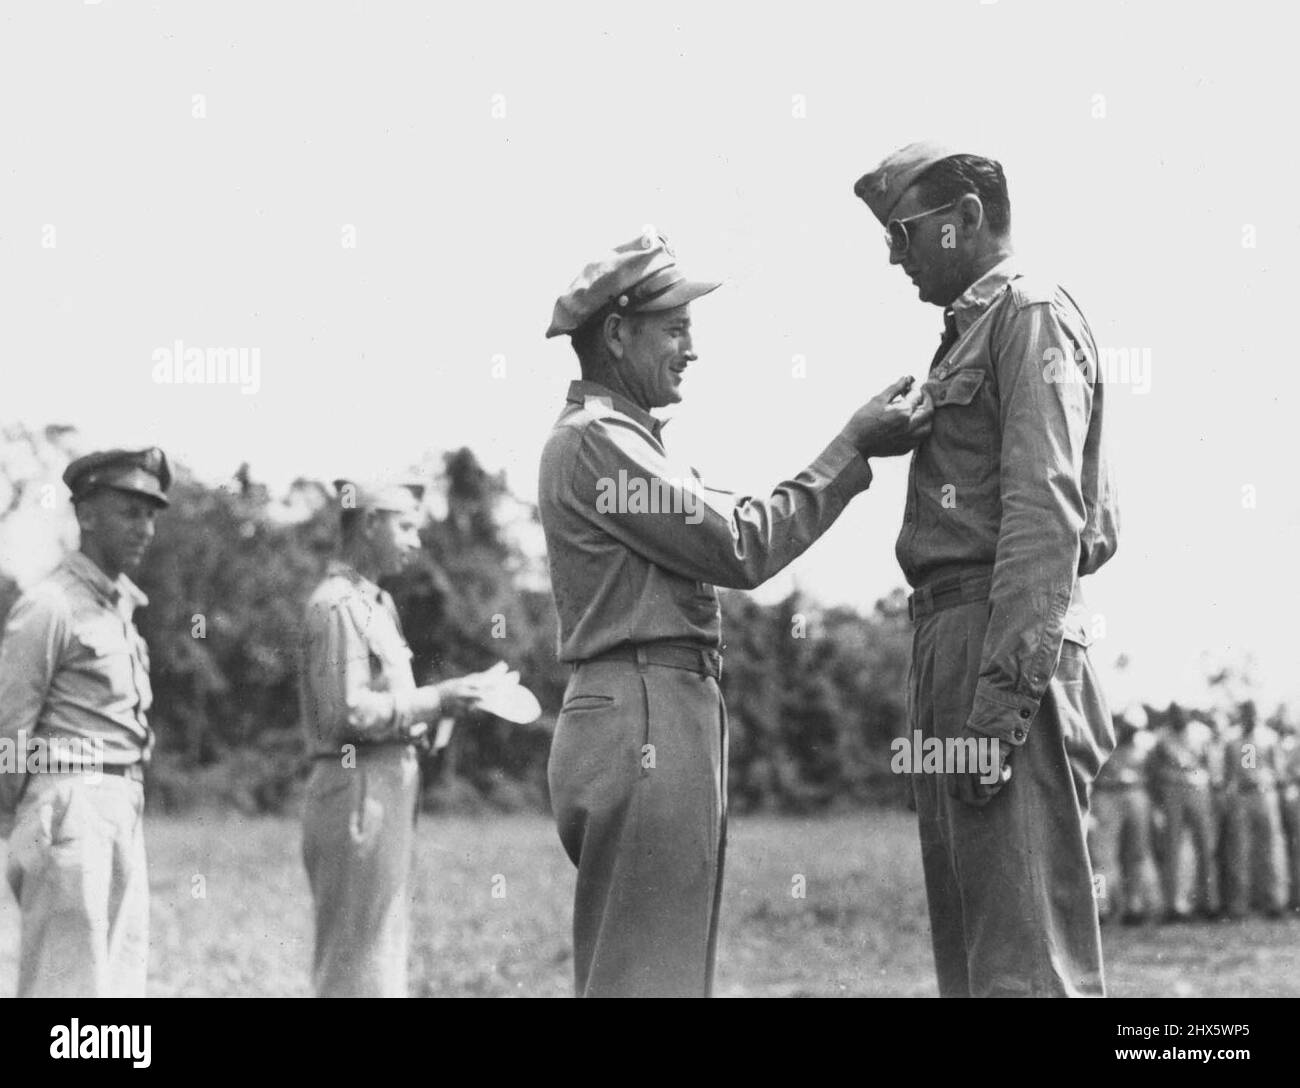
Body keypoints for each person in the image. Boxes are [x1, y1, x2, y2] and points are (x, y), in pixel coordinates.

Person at [538, 228, 933, 997]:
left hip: (654, 709)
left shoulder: (624, 442)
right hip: (645, 712)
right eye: (675, 328)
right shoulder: (599, 443)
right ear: (616, 334)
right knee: (646, 981)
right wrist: (851, 448)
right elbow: (740, 544)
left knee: (660, 973)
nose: (691, 349)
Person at [853, 143, 1119, 996]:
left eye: (903, 232)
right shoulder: (973, 331)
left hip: (1002, 652)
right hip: (953, 639)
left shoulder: (1028, 315)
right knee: (976, 962)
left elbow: (1055, 524)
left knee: (1025, 967)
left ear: (967, 218)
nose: (894, 255)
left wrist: (998, 713)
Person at [299, 480, 489, 997]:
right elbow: (348, 713)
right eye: (404, 526)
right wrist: (436, 699)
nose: (415, 541)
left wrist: (438, 716)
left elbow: (384, 707)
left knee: (380, 959)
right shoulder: (339, 605)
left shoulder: (377, 605)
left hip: (386, 781)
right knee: (354, 964)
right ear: (368, 523)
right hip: (358, 787)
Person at [0, 447, 170, 997]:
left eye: (151, 513)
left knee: (115, 992)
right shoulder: (50, 604)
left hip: (120, 802)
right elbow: (9, 728)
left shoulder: (119, 608)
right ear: (86, 514)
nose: (144, 527)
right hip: (69, 804)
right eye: (129, 511)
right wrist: (23, 819)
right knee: (65, 990)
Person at [1148, 703, 1219, 921]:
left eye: (1182, 713)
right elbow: (1155, 767)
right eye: (1175, 714)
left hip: (1198, 786)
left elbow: (1212, 764)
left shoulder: (1201, 733)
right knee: (1173, 847)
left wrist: (1215, 791)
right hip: (1172, 788)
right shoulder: (1161, 736)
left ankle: (1209, 903)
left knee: (1205, 845)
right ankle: (1175, 905)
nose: (1179, 717)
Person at [1092, 708, 1161, 924]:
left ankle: (1135, 904)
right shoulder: (1104, 740)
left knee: (1137, 853)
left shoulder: (1145, 745)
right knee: (1102, 855)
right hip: (1107, 795)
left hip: (1136, 795)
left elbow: (1153, 776)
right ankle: (1099, 907)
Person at [1223, 700, 1286, 918]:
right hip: (1242, 795)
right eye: (1245, 712)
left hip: (1264, 794)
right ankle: (1240, 903)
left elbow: (1279, 771)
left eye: (1253, 712)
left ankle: (1273, 900)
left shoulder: (1268, 737)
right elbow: (1227, 772)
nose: (1249, 716)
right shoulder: (1232, 739)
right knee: (1239, 848)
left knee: (1270, 847)